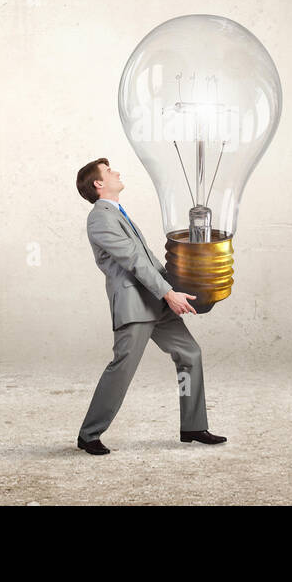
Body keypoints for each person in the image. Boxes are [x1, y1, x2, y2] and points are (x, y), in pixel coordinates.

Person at [73, 158, 226, 455]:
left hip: (156, 300)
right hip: (136, 304)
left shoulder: (118, 213)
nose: (116, 172)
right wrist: (169, 293)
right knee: (122, 368)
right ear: (98, 184)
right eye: (108, 171)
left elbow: (149, 260)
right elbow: (133, 260)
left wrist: (177, 284)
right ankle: (89, 434)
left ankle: (193, 425)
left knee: (190, 354)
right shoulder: (100, 217)